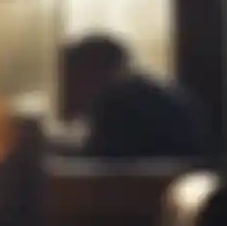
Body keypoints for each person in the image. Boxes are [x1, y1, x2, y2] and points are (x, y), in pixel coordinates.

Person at [60, 34, 209, 161]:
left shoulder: (120, 103)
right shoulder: (146, 92)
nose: (68, 89)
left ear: (92, 72)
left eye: (73, 78)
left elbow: (100, 163)